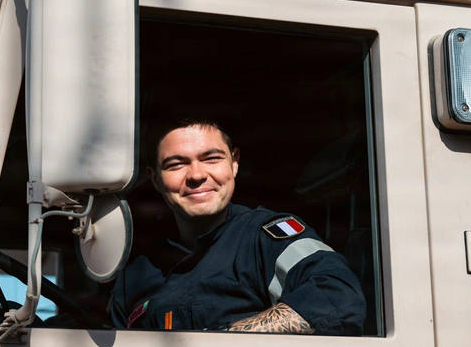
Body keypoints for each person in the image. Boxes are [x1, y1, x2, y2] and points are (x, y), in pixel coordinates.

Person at [109, 119, 366, 335]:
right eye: (177, 164)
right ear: (155, 178)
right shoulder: (134, 275)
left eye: (211, 158)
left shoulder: (268, 238)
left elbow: (338, 298)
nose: (197, 175)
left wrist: (225, 340)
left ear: (234, 163)